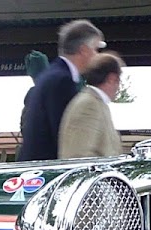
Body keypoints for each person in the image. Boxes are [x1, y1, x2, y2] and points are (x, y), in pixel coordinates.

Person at [17, 20, 106, 162]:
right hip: (48, 173)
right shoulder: (62, 81)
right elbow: (66, 138)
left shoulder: (54, 75)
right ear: (83, 50)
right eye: (95, 49)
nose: (97, 56)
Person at [58, 53, 125, 159]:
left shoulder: (96, 103)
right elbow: (78, 156)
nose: (118, 87)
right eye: (119, 80)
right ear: (112, 78)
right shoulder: (89, 105)